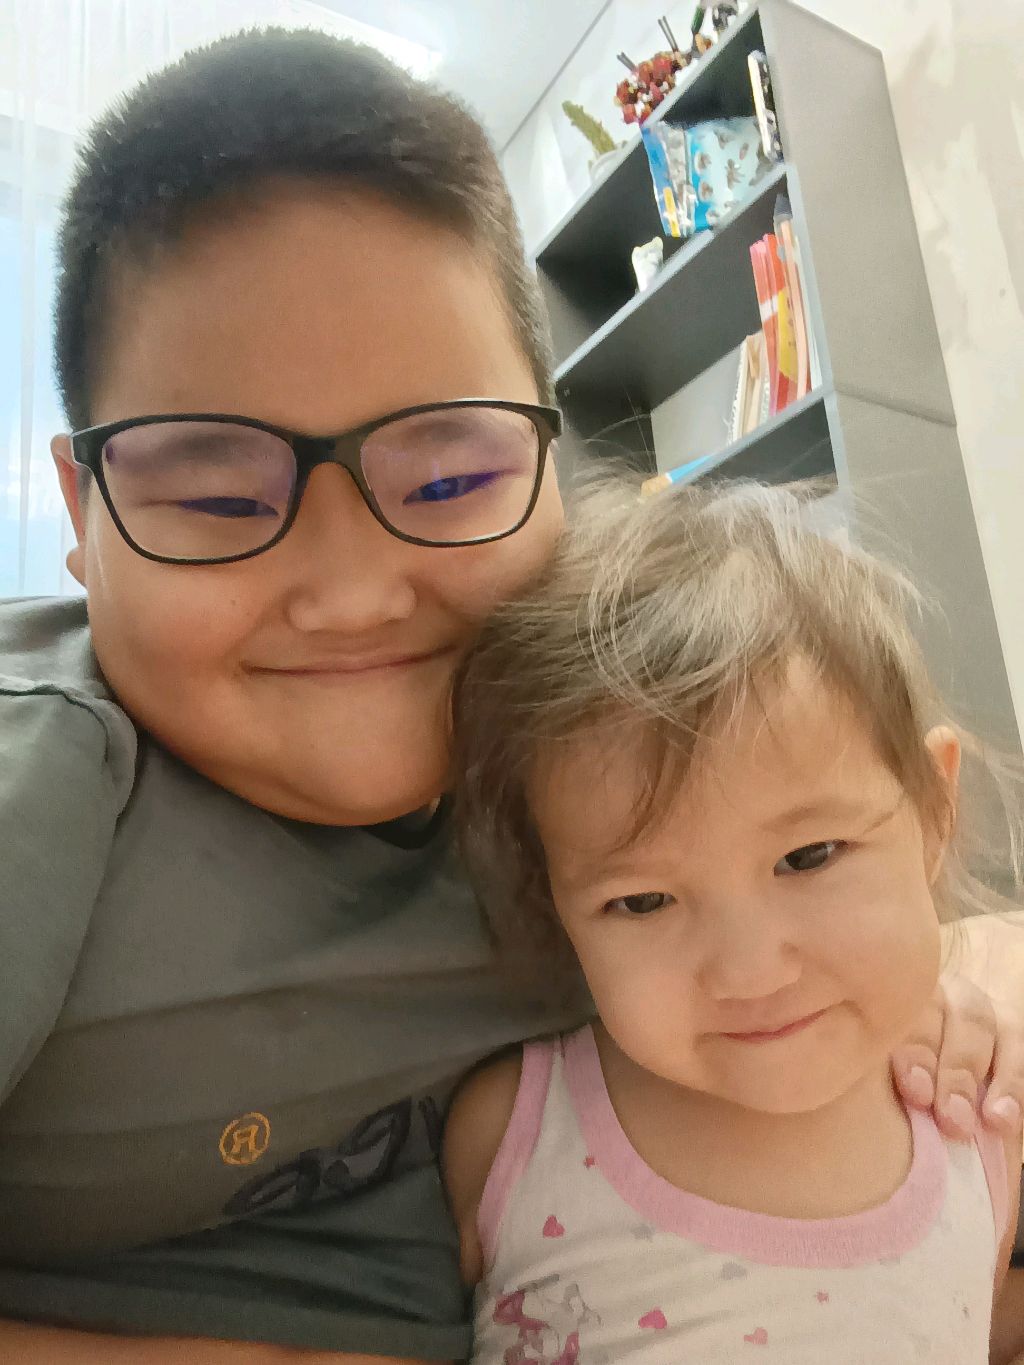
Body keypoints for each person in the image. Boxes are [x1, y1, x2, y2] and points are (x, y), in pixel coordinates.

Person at [0, 24, 1021, 1365]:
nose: (352, 592)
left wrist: (925, 991)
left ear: (551, 468)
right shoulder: (43, 772)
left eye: (446, 481)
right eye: (218, 497)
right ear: (82, 514)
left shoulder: (577, 766)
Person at [445, 479, 1024, 1363]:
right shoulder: (510, 1133)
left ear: (934, 812)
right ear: (555, 904)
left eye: (809, 855)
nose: (751, 970)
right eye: (643, 900)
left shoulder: (977, 1124)